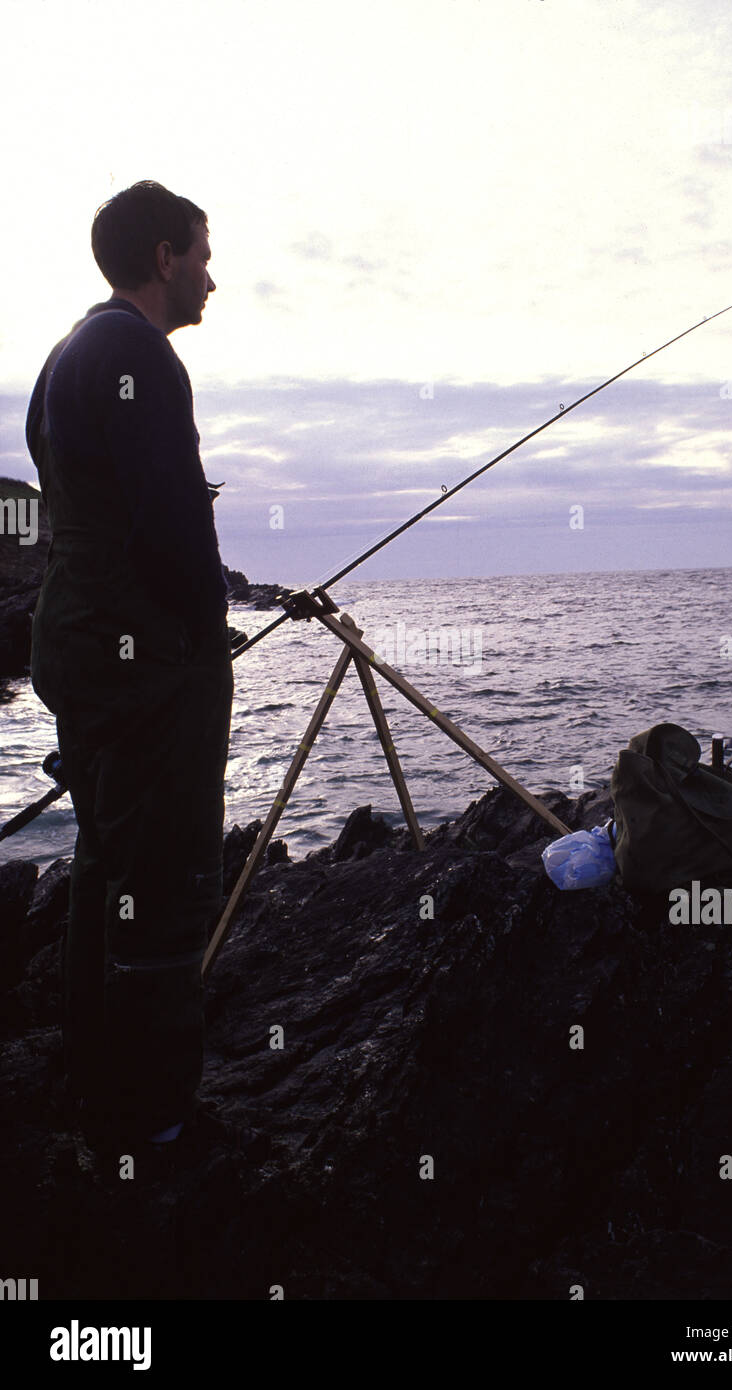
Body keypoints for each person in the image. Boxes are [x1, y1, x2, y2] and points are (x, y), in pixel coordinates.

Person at [26, 180, 254, 1166]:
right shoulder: (138, 359)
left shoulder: (65, 355)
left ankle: (97, 1087)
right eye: (202, 253)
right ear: (163, 257)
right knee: (163, 882)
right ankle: (156, 1120)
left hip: (78, 649)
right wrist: (209, 630)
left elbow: (112, 514)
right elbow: (170, 524)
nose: (212, 273)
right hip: (141, 666)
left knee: (106, 871)